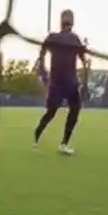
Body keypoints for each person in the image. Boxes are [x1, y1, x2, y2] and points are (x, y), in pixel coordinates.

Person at [33, 9, 89, 155]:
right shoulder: (53, 37)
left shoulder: (75, 39)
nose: (68, 19)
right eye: (66, 16)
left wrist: (85, 80)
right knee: (51, 112)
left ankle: (64, 143)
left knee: (75, 110)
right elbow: (42, 53)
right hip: (56, 82)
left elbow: (84, 60)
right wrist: (43, 71)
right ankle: (38, 132)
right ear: (61, 20)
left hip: (71, 82)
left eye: (70, 16)